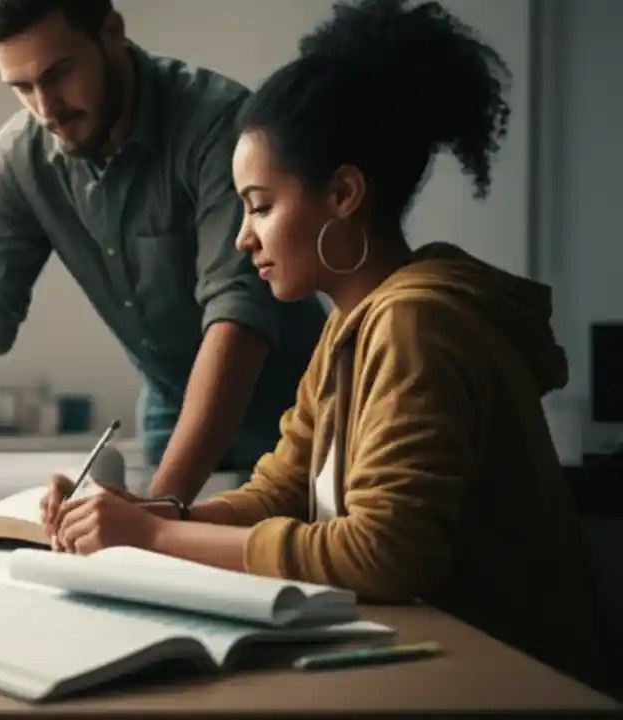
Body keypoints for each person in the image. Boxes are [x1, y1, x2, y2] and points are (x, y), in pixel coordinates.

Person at [40, 0, 608, 692]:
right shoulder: (350, 322)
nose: (244, 236)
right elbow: (281, 488)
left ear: (342, 193)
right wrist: (148, 515)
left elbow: (384, 555)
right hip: (421, 656)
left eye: (260, 204)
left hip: (512, 680)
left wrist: (155, 538)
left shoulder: (416, 326)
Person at [0, 0, 327, 521]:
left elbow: (236, 316)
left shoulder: (217, 123)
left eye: (59, 73)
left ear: (112, 32)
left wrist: (155, 513)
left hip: (304, 415)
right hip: (172, 419)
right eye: (20, 87)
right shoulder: (20, 158)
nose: (46, 108)